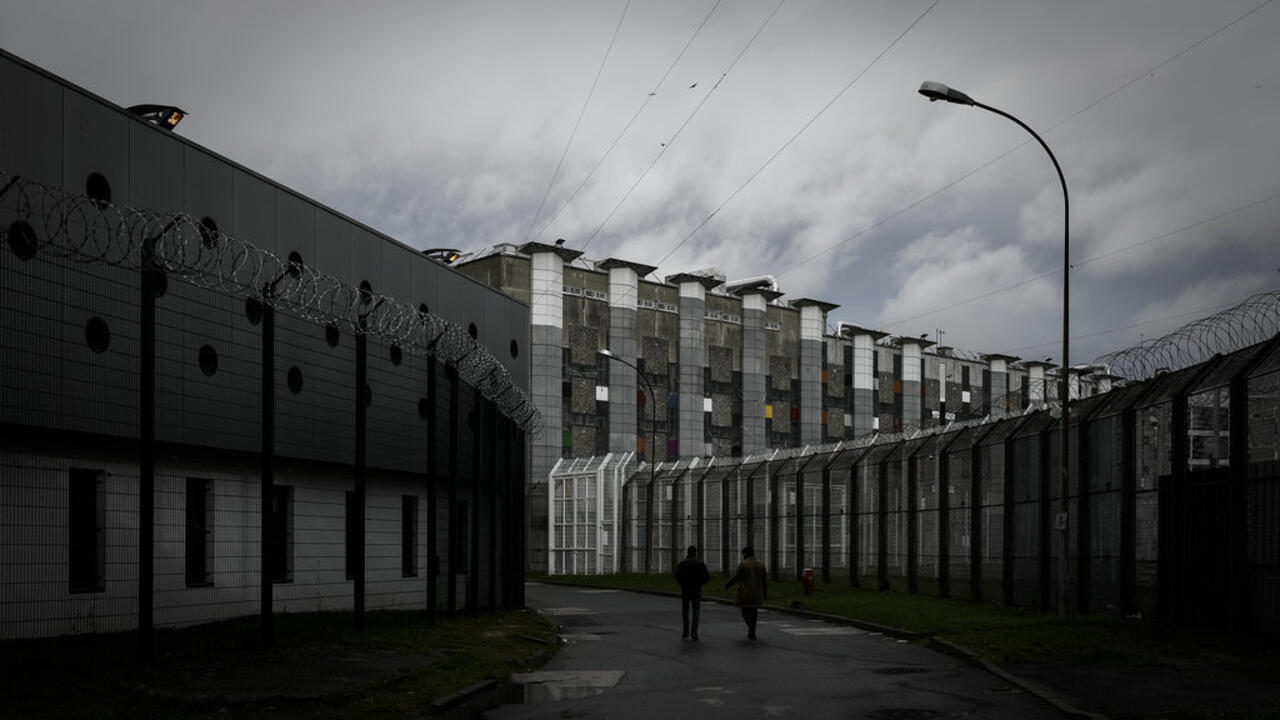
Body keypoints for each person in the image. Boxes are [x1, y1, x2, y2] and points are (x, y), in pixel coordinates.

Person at [725, 546, 767, 640]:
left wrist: (728, 584)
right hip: (757, 592)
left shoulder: (743, 564)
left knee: (744, 611)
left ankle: (750, 628)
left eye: (743, 554)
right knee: (754, 613)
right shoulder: (761, 564)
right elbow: (764, 581)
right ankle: (752, 631)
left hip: (745, 592)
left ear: (746, 553)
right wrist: (765, 593)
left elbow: (736, 577)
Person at [674, 545, 711, 640]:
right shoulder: (700, 564)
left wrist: (683, 583)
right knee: (696, 612)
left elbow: (677, 576)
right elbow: (707, 577)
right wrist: (700, 583)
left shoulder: (682, 564)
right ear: (695, 553)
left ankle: (685, 631)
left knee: (685, 611)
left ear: (688, 552)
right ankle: (694, 633)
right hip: (696, 590)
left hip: (685, 590)